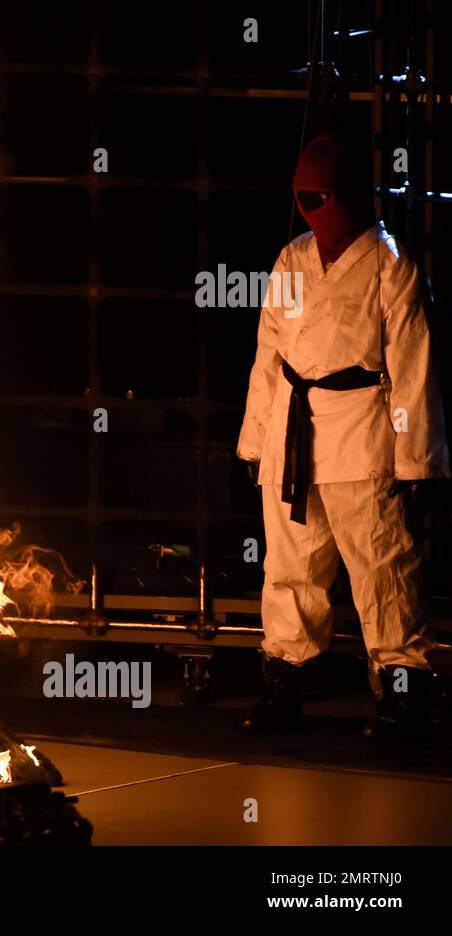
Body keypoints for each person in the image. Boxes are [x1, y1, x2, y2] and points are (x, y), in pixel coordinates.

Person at [236, 134, 448, 738]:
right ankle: (284, 681)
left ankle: (405, 690)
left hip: (362, 431)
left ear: (348, 195)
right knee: (289, 566)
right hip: (292, 430)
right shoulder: (292, 259)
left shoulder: (389, 262)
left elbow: (412, 366)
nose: (310, 207)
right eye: (302, 197)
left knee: (381, 567)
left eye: (320, 196)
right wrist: (255, 441)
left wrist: (417, 461)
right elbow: (267, 356)